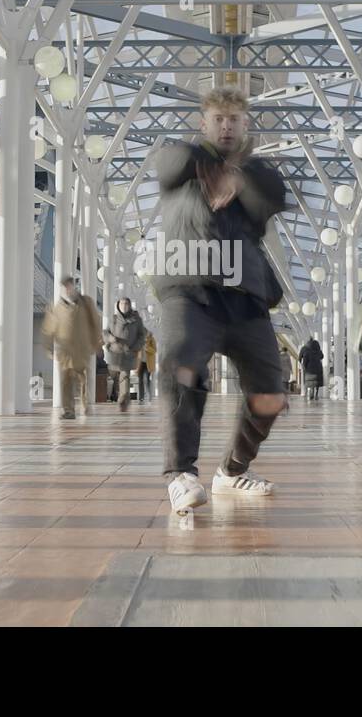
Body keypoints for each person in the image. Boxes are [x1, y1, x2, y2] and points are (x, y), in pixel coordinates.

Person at [148, 85, 290, 516]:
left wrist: (238, 175)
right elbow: (168, 164)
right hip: (188, 288)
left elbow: (273, 196)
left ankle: (231, 470)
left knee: (270, 393)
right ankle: (181, 474)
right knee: (183, 366)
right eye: (218, 119)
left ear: (246, 124)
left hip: (245, 295)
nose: (226, 126)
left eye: (234, 119)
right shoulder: (184, 161)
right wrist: (207, 165)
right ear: (203, 122)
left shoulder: (257, 171)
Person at [41, 276, 102, 420]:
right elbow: (48, 329)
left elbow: (95, 323)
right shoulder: (56, 308)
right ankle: (68, 410)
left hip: (82, 349)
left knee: (83, 380)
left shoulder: (86, 303)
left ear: (74, 286)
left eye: (69, 286)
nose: (68, 289)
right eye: (65, 287)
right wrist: (49, 348)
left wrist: (97, 343)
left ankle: (85, 405)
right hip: (65, 352)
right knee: (65, 382)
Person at [104, 297, 147, 412]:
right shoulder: (113, 319)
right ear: (118, 305)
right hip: (114, 352)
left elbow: (142, 336)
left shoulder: (136, 319)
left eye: (126, 304)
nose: (124, 306)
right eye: (122, 304)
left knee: (124, 376)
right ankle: (116, 395)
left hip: (128, 352)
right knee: (113, 376)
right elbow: (105, 332)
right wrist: (110, 338)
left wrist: (134, 348)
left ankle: (123, 400)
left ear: (129, 305)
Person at [139, 331, 157, 403]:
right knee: (140, 380)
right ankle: (141, 398)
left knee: (147, 380)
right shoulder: (140, 340)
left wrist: (147, 347)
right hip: (140, 363)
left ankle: (149, 396)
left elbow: (154, 350)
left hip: (148, 363)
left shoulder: (152, 339)